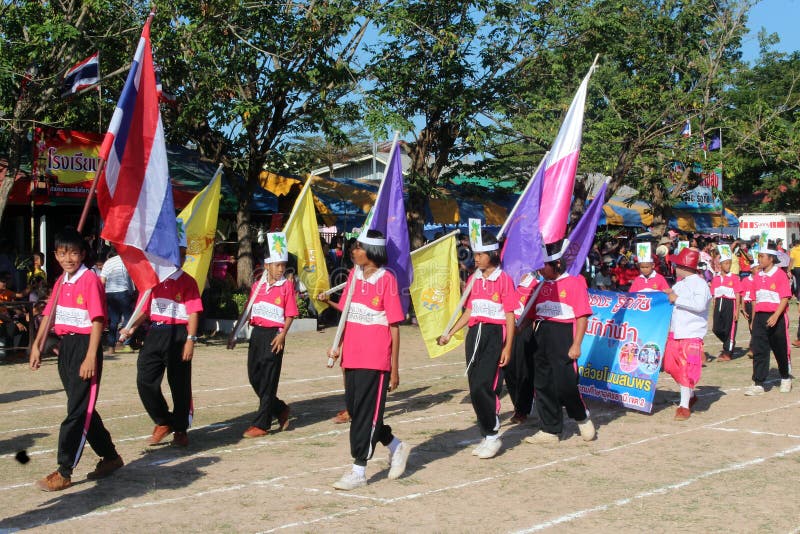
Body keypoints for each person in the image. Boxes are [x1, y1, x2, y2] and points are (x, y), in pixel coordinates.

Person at [28, 227, 123, 491]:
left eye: (73, 252)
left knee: (76, 412)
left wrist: (91, 355)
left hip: (85, 346)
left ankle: (64, 469)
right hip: (66, 346)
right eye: (62, 253)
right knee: (81, 408)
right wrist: (37, 346)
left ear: (82, 253)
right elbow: (48, 315)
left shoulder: (89, 279)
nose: (68, 258)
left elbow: (97, 320)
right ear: (55, 255)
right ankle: (111, 456)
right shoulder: (61, 281)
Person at [325, 230, 411, 490]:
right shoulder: (353, 276)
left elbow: (394, 327)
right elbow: (347, 314)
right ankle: (396, 446)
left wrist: (394, 369)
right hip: (351, 355)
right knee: (358, 411)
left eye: (359, 247)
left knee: (366, 415)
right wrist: (337, 345)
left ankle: (358, 469)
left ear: (372, 252)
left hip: (375, 359)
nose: (354, 251)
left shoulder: (387, 280)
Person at [438, 227, 516, 459]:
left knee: (485, 385)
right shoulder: (473, 279)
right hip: (475, 334)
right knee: (474, 387)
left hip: (494, 334)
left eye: (480, 254)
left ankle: (493, 434)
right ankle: (486, 434)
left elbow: (510, 316)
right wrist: (450, 333)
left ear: (492, 254)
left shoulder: (504, 279)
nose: (477, 258)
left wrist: (508, 347)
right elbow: (470, 311)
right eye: (475, 253)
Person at [120, 236, 203, 447]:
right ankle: (163, 421)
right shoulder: (152, 281)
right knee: (145, 379)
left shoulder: (188, 282)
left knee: (179, 384)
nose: (179, 259)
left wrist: (191, 340)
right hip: (156, 333)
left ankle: (181, 429)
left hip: (178, 334)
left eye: (183, 255)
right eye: (176, 254)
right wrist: (131, 328)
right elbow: (144, 310)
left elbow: (193, 312)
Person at [523, 241, 595, 443]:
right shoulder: (539, 286)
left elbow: (582, 316)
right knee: (542, 383)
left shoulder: (575, 282)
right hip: (541, 335)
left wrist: (576, 344)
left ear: (557, 265)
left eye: (544, 265)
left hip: (563, 335)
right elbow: (529, 316)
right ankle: (550, 429)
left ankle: (581, 416)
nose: (540, 269)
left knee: (565, 384)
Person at [239, 232, 297, 438]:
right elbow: (247, 312)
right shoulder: (257, 287)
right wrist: (234, 334)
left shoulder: (287, 287)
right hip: (257, 335)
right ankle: (279, 408)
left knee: (269, 379)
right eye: (277, 264)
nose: (281, 268)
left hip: (274, 335)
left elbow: (290, 314)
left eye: (283, 264)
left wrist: (282, 334)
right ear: (266, 266)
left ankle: (262, 424)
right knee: (255, 376)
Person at [663, 248, 712, 420]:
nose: (674, 266)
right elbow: (671, 296)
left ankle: (684, 405)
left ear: (684, 266)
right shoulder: (680, 283)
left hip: (691, 333)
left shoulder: (700, 284)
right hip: (675, 332)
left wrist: (677, 299)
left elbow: (700, 305)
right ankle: (690, 396)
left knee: (686, 368)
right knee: (669, 365)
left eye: (676, 264)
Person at [745, 247, 792, 395]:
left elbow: (785, 297)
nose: (759, 259)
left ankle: (785, 377)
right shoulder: (757, 276)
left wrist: (776, 315)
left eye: (762, 256)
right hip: (760, 316)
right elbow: (754, 299)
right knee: (759, 349)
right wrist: (753, 319)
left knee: (779, 348)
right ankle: (758, 383)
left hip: (775, 316)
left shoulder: (780, 274)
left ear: (771, 258)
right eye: (758, 256)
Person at [505, 272, 538, 424]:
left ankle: (522, 409)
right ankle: (518, 405)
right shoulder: (508, 282)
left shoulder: (535, 285)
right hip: (507, 329)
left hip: (525, 330)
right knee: (509, 369)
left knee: (524, 371)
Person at [100, 248, 135, 354]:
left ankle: (111, 347)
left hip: (109, 293)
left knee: (113, 321)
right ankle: (125, 343)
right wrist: (131, 291)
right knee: (129, 319)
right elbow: (129, 277)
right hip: (123, 292)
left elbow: (102, 280)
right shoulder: (125, 260)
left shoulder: (108, 262)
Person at [710, 248, 742, 362]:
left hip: (730, 303)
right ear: (720, 264)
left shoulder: (734, 278)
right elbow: (714, 296)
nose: (728, 266)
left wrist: (737, 310)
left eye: (730, 263)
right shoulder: (716, 279)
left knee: (730, 328)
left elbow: (738, 294)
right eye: (726, 263)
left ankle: (728, 352)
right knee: (716, 328)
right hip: (719, 304)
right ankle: (729, 342)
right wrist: (714, 309)